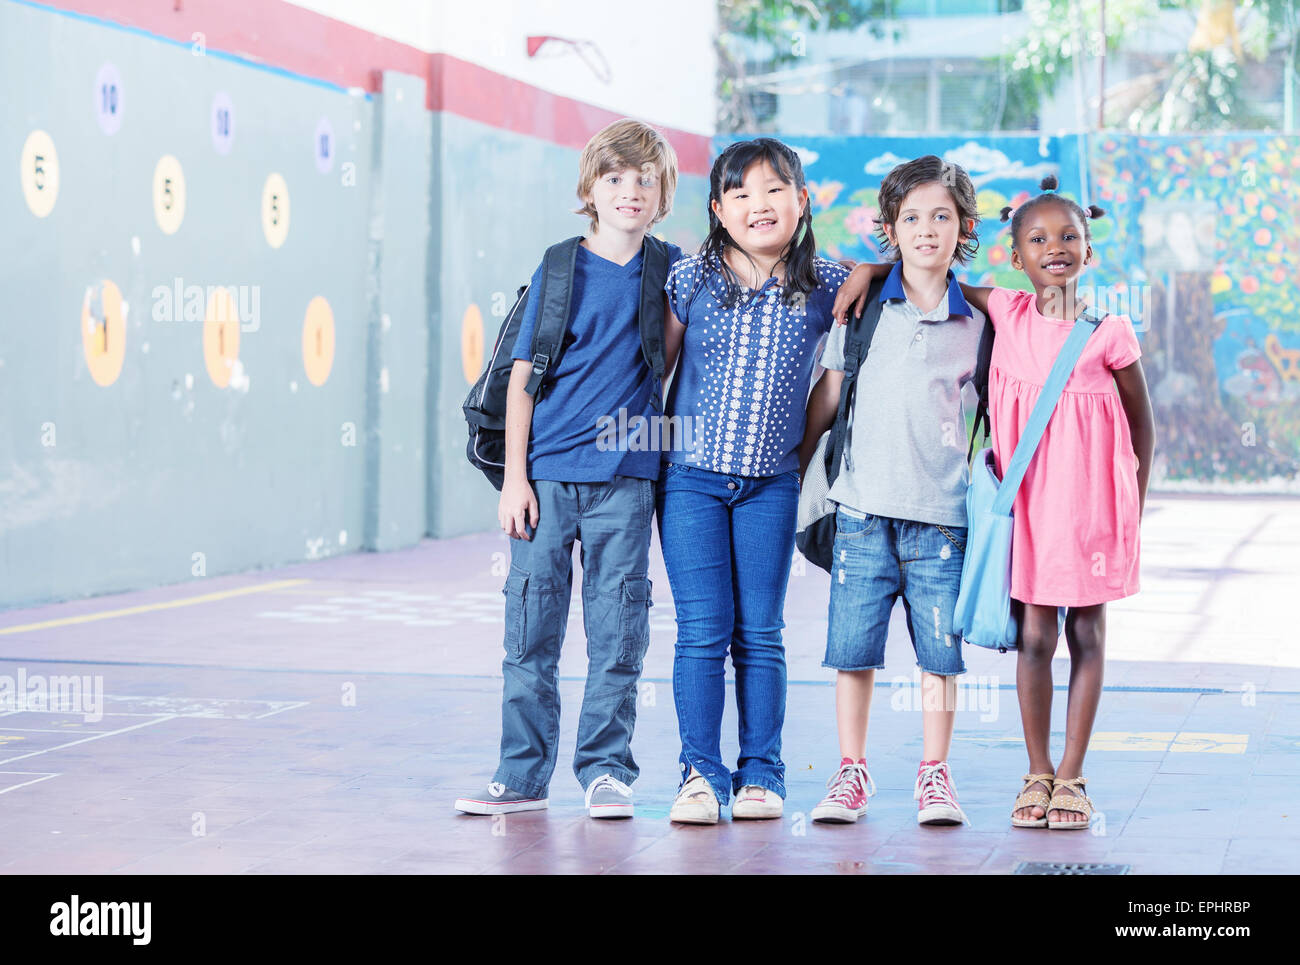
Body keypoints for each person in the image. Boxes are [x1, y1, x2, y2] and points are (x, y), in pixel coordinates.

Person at [834, 173, 1156, 830]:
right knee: (1036, 635)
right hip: (1028, 516)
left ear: (1090, 251)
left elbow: (1142, 425)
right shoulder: (1003, 312)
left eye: (1070, 236)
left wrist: (1133, 505)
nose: (1055, 247)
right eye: (1037, 238)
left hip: (1093, 514)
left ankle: (1074, 774)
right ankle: (1036, 773)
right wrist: (872, 265)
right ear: (1016, 257)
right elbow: (935, 275)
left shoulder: (1110, 332)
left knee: (1087, 632)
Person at [454, 119, 681, 820]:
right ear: (590, 188)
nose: (630, 191)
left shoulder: (671, 269)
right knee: (530, 632)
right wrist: (515, 478)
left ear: (664, 191)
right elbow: (523, 379)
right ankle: (521, 775)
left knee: (618, 632)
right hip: (547, 479)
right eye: (614, 178)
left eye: (645, 179)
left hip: (628, 480)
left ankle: (607, 770)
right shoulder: (559, 267)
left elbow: (670, 357)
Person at [659, 137, 849, 824]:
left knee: (761, 632)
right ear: (717, 209)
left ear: (801, 201)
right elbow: (656, 374)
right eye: (739, 193)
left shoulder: (832, 284)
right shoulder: (689, 280)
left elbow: (834, 384)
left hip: (771, 484)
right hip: (690, 483)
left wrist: (798, 451)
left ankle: (762, 772)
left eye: (774, 189)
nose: (758, 204)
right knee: (702, 630)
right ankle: (699, 773)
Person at [798, 155, 986, 826]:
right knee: (853, 652)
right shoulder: (863, 306)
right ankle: (852, 772)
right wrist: (797, 467)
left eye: (942, 216)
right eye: (911, 218)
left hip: (941, 517)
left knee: (939, 656)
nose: (926, 229)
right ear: (890, 227)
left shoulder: (979, 323)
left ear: (963, 227)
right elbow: (826, 395)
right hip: (861, 512)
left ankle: (935, 775)